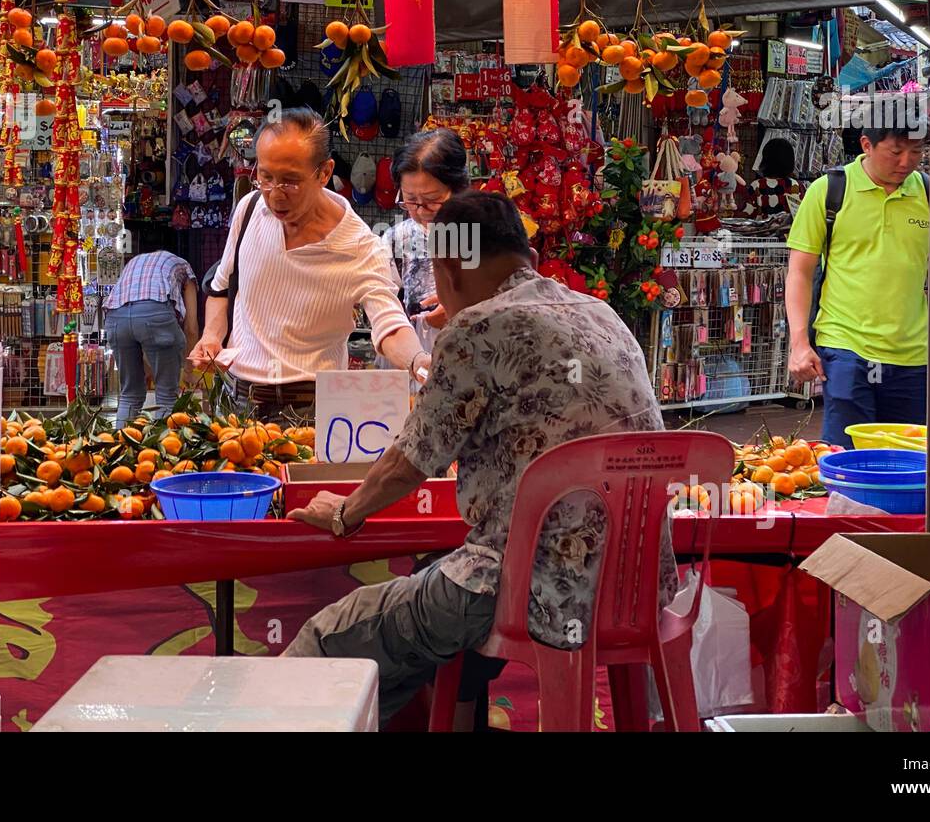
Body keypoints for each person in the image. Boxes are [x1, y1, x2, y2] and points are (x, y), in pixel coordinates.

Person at [283, 191, 672, 726]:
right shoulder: (601, 313)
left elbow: (411, 460)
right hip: (635, 588)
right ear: (527, 257)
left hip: (522, 589)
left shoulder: (476, 328)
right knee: (403, 646)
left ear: (449, 268)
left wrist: (346, 513)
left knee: (327, 637)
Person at [189, 108, 429, 412]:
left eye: (290, 181)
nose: (275, 195)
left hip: (311, 408)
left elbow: (389, 323)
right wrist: (212, 337)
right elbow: (221, 289)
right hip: (237, 398)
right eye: (265, 177)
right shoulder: (249, 210)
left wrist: (418, 361)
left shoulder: (359, 245)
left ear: (324, 173)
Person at [785, 124, 930, 447]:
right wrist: (799, 343)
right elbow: (799, 271)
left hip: (914, 354)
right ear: (867, 144)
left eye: (917, 152)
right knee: (847, 456)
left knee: (908, 464)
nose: (907, 161)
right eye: (896, 151)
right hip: (846, 347)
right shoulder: (830, 190)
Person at [380, 128, 470, 360]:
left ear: (458, 188)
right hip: (415, 358)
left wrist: (460, 308)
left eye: (432, 201)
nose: (420, 211)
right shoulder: (397, 239)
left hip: (474, 358)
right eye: (410, 200)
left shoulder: (486, 231)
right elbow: (381, 299)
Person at [103, 243, 198, 426]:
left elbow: (135, 325)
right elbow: (191, 327)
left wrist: (147, 368)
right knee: (167, 396)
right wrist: (189, 370)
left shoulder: (134, 263)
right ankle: (164, 452)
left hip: (115, 317)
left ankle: (119, 448)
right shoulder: (184, 267)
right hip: (154, 315)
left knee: (129, 394)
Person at [743, 137, 803, 219]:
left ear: (765, 160)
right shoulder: (796, 186)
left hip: (762, 231)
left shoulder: (757, 185)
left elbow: (748, 214)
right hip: (790, 231)